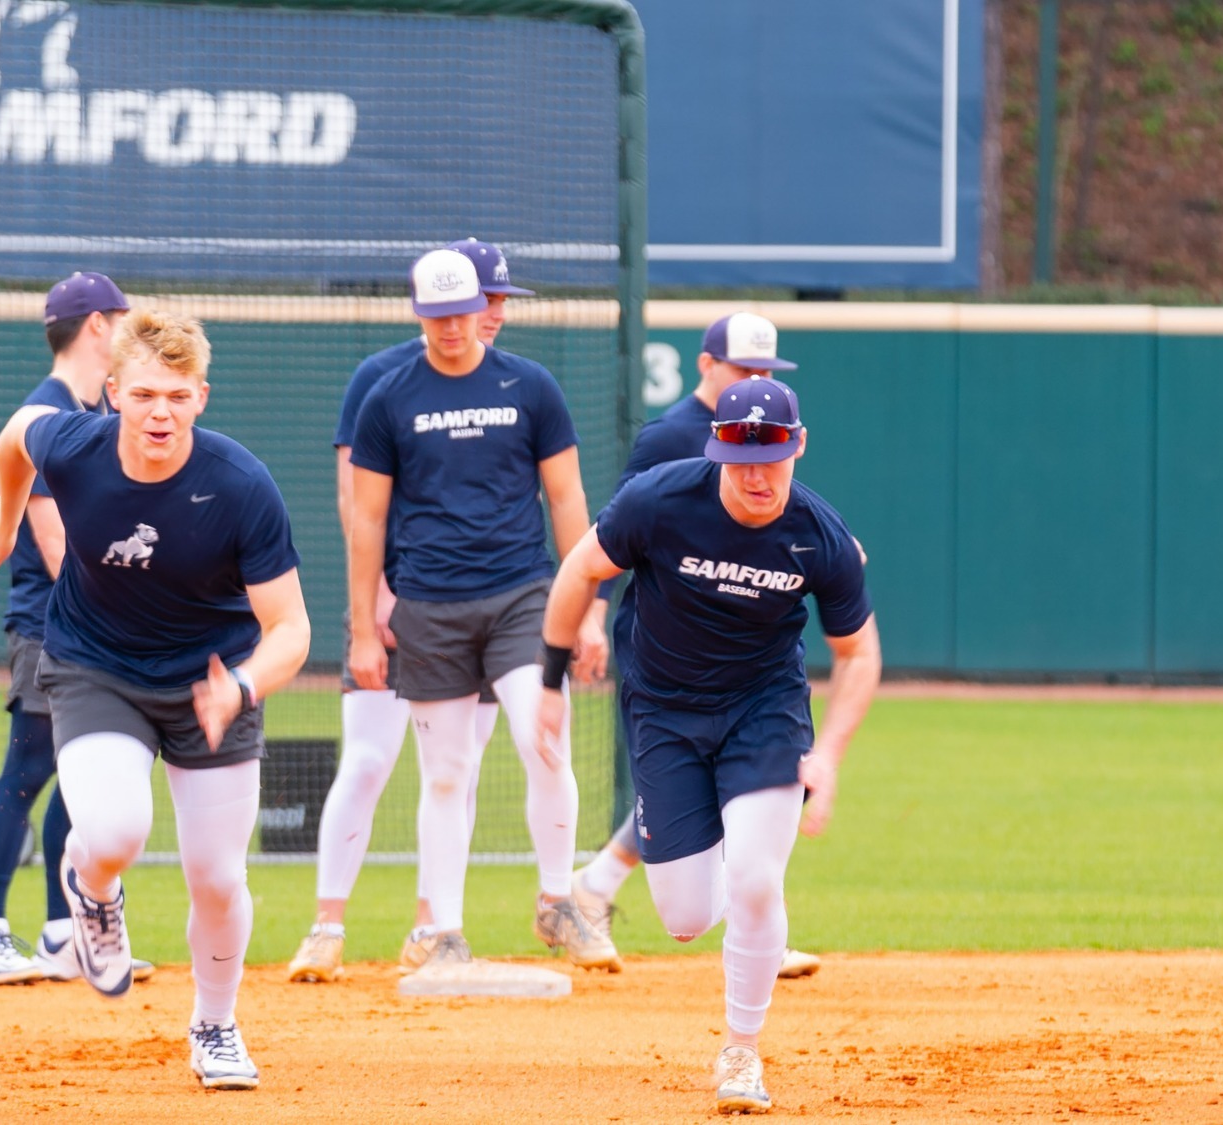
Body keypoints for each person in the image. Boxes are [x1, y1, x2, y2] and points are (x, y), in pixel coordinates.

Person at [0, 308, 310, 1091]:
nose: (161, 412)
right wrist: (7, 507)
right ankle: (90, 886)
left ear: (202, 396)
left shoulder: (239, 485)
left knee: (220, 878)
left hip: (212, 684)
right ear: (113, 391)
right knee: (117, 831)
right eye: (146, 394)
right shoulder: (75, 443)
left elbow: (290, 627)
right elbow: (17, 434)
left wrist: (247, 685)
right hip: (95, 667)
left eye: (179, 396)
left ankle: (216, 1025)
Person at [536, 376, 881, 1114]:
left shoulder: (820, 536)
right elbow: (579, 570)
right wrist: (548, 679)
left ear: (800, 447)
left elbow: (858, 653)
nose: (758, 474)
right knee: (686, 918)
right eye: (740, 454)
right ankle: (716, 860)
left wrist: (831, 755)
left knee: (756, 878)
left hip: (765, 711)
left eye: (774, 454)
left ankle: (741, 1052)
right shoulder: (659, 501)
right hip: (663, 712)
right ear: (715, 446)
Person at [345, 248, 614, 978]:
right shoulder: (388, 397)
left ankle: (561, 900)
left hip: (523, 595)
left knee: (542, 739)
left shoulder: (529, 385)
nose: (452, 328)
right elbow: (365, 519)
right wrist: (365, 627)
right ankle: (446, 931)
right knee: (446, 773)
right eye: (436, 316)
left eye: (462, 313)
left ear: (481, 309)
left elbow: (567, 500)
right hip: (429, 604)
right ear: (419, 315)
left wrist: (586, 612)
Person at [289, 238, 533, 983]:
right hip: (397, 597)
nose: (490, 313)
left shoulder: (513, 384)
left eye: (496, 301)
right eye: (478, 299)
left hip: (481, 604)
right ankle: (326, 925)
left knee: (455, 768)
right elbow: (354, 502)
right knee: (366, 760)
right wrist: (379, 603)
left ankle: (433, 921)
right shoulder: (383, 378)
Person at [570, 312, 827, 980]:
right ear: (706, 365)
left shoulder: (770, 439)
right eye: (745, 368)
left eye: (768, 370)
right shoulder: (672, 438)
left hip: (747, 652)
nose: (758, 379)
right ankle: (736, 905)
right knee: (692, 787)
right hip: (666, 646)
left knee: (740, 784)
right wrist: (591, 619)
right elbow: (612, 536)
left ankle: (747, 905)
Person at [0, 271, 151, 987]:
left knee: (80, 779)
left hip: (93, 629)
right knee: (29, 768)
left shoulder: (96, 406)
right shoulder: (47, 410)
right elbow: (59, 543)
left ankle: (63, 931)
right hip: (52, 627)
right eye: (121, 318)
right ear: (96, 325)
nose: (129, 330)